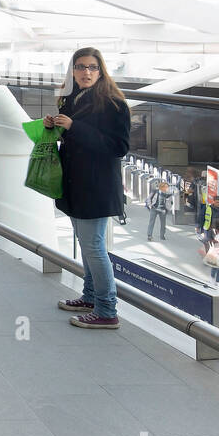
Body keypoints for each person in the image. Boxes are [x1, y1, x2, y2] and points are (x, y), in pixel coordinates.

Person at [50, 47, 131, 331]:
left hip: (96, 185)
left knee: (94, 246)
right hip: (75, 183)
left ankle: (107, 310)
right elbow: (72, 137)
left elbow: (118, 147)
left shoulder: (113, 104)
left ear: (101, 70)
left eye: (92, 67)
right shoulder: (70, 99)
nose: (86, 72)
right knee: (86, 245)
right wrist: (56, 127)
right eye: (81, 67)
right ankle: (90, 297)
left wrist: (74, 127)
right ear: (72, 71)